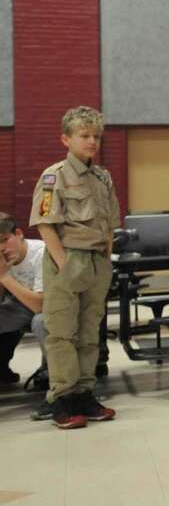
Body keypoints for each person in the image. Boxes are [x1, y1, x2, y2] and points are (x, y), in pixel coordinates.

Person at [29, 106, 121, 428]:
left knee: (89, 334)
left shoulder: (102, 177)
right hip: (68, 259)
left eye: (96, 136)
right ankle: (63, 399)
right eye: (84, 136)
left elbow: (110, 222)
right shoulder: (54, 176)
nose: (92, 141)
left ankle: (85, 393)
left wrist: (107, 256)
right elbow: (44, 224)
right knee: (62, 333)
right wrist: (65, 264)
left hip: (97, 261)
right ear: (66, 139)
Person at [0, 213, 45, 385]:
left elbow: (40, 306)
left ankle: (51, 373)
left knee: (40, 322)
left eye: (5, 239)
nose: (2, 248)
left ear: (19, 233)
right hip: (21, 306)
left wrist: (4, 277)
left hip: (51, 307)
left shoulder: (41, 253)